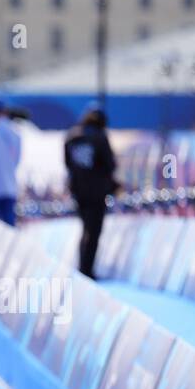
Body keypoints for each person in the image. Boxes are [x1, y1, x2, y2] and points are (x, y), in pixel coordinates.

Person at [64, 106, 118, 280]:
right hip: (97, 192)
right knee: (93, 232)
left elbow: (67, 164)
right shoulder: (100, 137)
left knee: (85, 229)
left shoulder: (72, 137)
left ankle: (82, 267)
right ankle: (87, 270)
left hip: (78, 191)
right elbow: (110, 165)